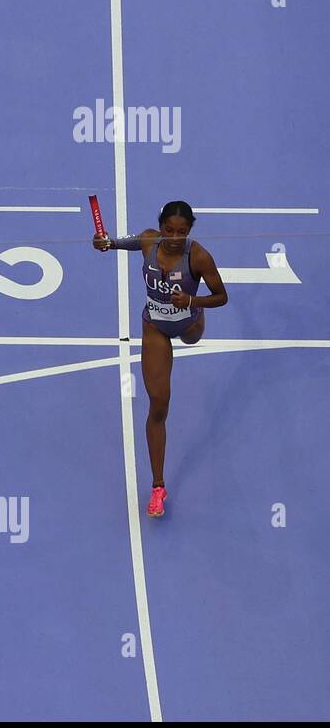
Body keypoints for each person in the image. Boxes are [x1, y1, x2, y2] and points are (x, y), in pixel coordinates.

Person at [93, 201, 228, 517]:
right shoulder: (148, 241)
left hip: (189, 323)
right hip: (155, 328)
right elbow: (113, 243)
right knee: (159, 404)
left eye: (182, 232)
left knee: (192, 336)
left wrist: (193, 300)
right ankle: (158, 486)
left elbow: (222, 296)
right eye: (169, 230)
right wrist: (104, 242)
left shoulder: (198, 256)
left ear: (189, 231)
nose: (174, 237)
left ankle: (195, 325)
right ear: (161, 227)